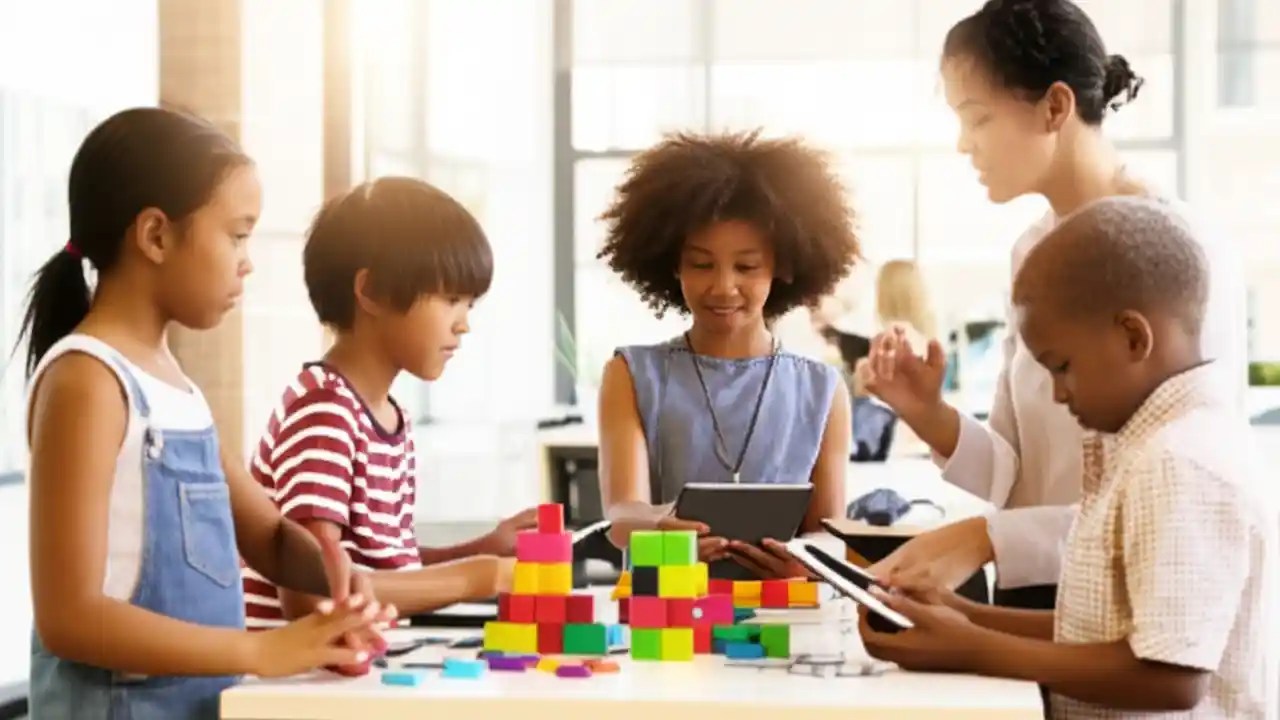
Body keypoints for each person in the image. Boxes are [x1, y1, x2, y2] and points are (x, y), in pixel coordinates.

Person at [858, 0, 1248, 608]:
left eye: (977, 118)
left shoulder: (1178, 256)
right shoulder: (1032, 252)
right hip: (1034, 600)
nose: (962, 144)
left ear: (1056, 106)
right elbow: (1014, 477)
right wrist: (927, 412)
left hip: (1138, 612)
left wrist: (988, 538)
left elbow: (1181, 500)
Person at [20, 107, 393, 720]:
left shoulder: (176, 386)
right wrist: (263, 650)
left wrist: (338, 574)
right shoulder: (88, 380)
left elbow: (270, 538)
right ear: (156, 236)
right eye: (237, 235)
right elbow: (70, 617)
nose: (248, 261)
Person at [860, 196, 1276, 719]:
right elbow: (1104, 631)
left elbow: (1172, 678)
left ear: (1133, 337)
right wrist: (966, 616)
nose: (1058, 394)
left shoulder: (1179, 459)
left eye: (1062, 367)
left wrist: (973, 648)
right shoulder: (1152, 443)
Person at [242, 177, 536, 637]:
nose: (463, 325)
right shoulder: (325, 411)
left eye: (469, 304)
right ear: (372, 291)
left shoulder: (383, 415)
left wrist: (484, 549)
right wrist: (478, 576)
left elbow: (389, 569)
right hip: (301, 672)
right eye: (451, 300)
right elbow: (313, 595)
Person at [595, 129, 860, 579]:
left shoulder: (821, 389)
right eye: (701, 264)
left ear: (783, 265)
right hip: (668, 605)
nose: (723, 287)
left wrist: (805, 560)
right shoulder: (632, 374)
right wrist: (660, 528)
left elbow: (829, 531)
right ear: (673, 264)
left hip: (786, 608)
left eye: (746, 266)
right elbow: (621, 516)